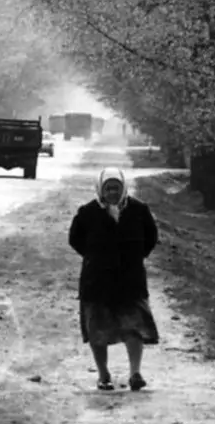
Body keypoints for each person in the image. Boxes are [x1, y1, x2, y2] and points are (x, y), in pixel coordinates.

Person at [68, 167, 160, 391]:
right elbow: (75, 239)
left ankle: (135, 373)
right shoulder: (87, 213)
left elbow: (151, 237)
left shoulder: (138, 210)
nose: (112, 192)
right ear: (100, 189)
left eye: (116, 188)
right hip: (97, 281)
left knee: (134, 328)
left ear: (123, 188)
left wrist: (135, 257)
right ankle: (103, 375)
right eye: (108, 188)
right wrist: (94, 258)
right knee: (97, 330)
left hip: (130, 281)